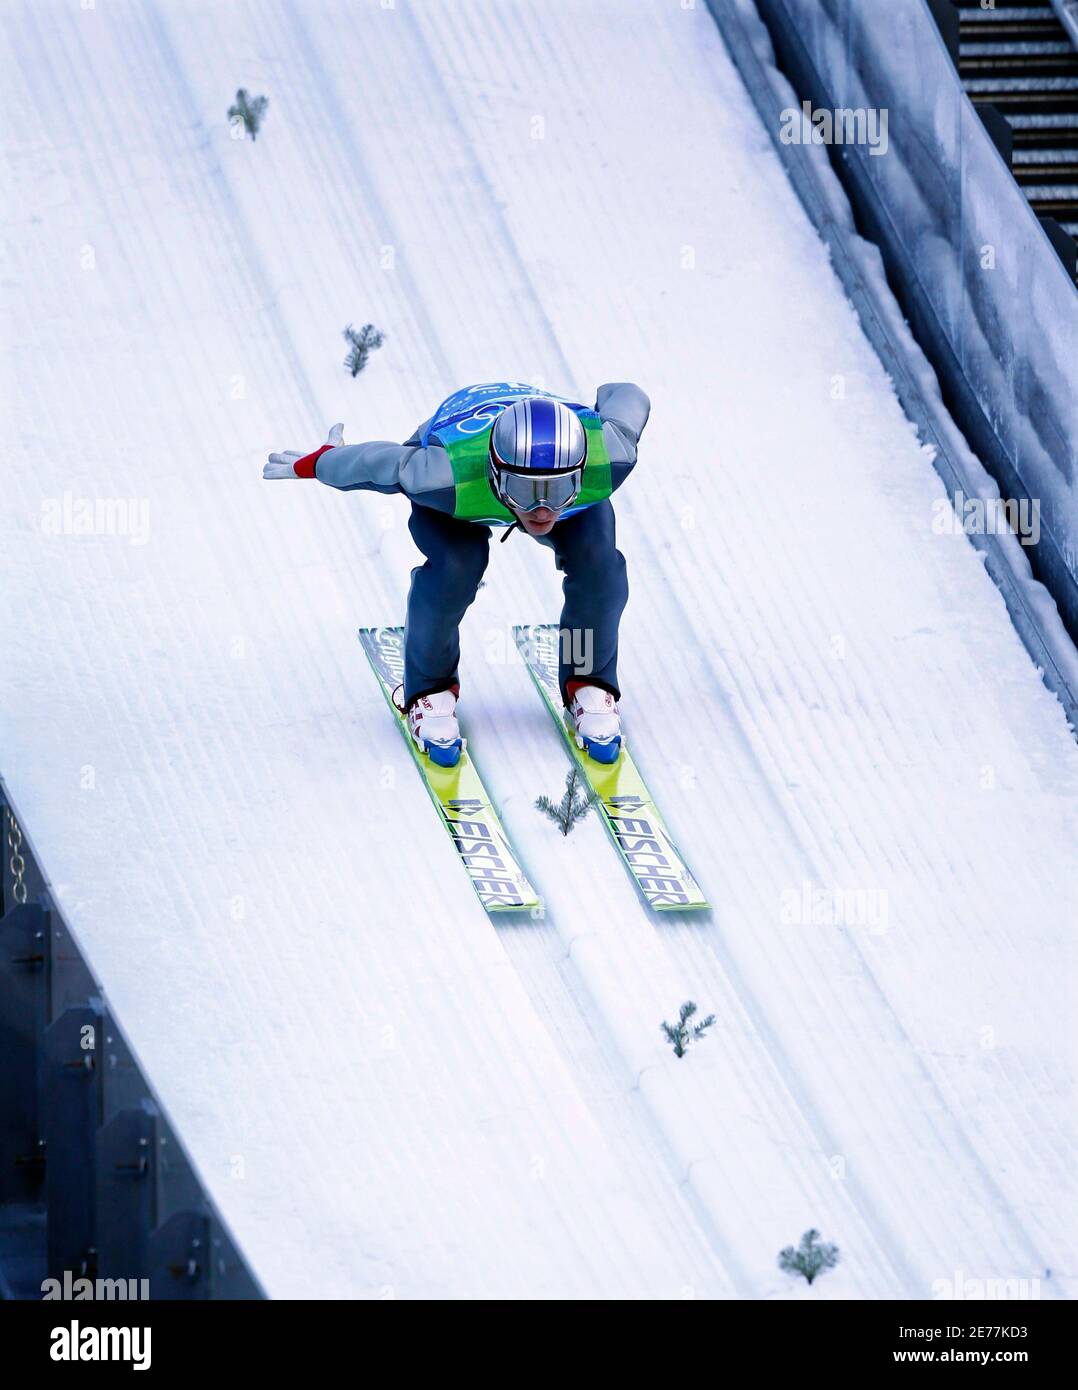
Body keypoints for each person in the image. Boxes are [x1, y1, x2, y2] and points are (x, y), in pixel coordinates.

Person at [264, 381, 650, 768]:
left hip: (540, 469)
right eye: (524, 489)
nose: (543, 509)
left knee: (600, 565)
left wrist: (584, 418)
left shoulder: (607, 454)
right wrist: (321, 461)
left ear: (582, 469)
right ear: (496, 471)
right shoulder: (442, 474)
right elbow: (376, 464)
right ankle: (429, 690)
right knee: (456, 567)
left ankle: (588, 679)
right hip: (462, 490)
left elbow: (628, 395)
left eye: (559, 487)